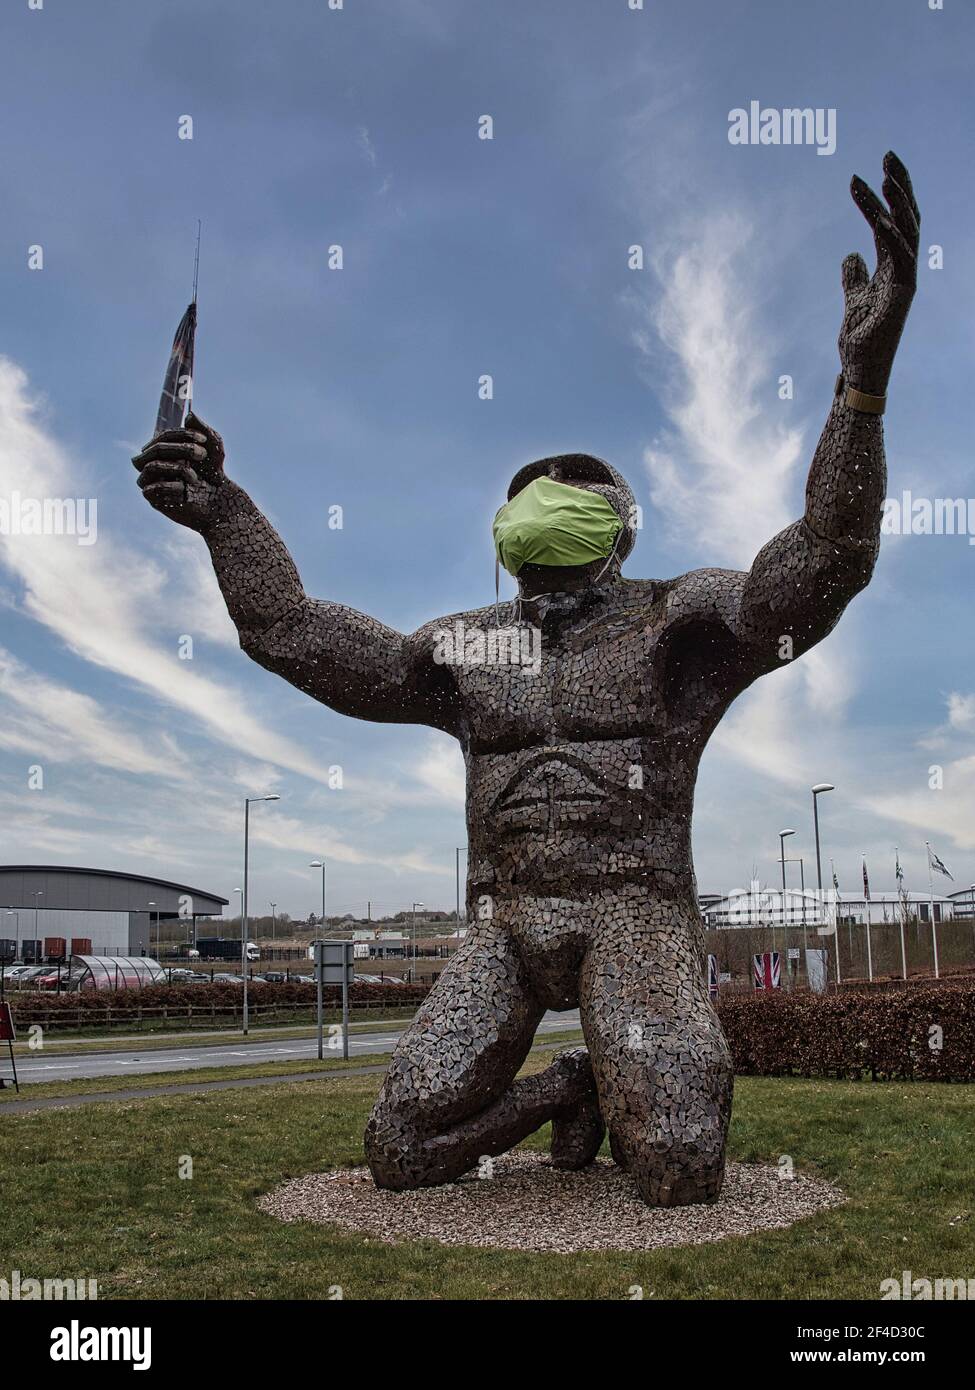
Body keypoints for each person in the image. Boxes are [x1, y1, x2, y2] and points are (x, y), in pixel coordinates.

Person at [133, 154, 919, 1206]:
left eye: (578, 489)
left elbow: (824, 561)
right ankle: (566, 1089)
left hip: (633, 911)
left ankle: (634, 1089)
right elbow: (290, 629)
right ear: (504, 535)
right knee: (399, 1147)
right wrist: (221, 511)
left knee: (680, 1165)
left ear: (620, 527)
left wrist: (858, 389)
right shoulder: (470, 649)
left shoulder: (673, 625)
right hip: (503, 923)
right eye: (532, 491)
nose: (553, 498)